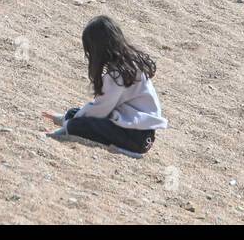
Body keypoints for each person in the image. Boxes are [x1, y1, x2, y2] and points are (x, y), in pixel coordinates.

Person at [42, 16, 167, 158]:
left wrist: (69, 124)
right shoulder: (131, 65)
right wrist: (71, 116)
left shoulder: (117, 75)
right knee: (74, 113)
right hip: (141, 133)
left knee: (76, 125)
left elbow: (100, 109)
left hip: (135, 137)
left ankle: (68, 124)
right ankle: (67, 119)